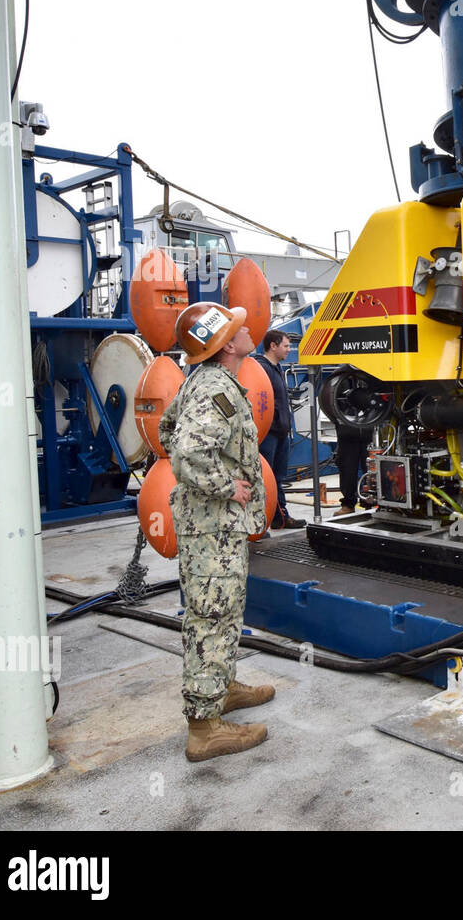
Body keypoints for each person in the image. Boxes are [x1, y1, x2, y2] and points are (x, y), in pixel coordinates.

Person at [160, 301, 275, 762]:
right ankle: (205, 728)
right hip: (212, 528)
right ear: (227, 345)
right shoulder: (214, 389)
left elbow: (168, 429)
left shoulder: (206, 382)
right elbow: (187, 452)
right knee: (212, 616)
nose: (249, 332)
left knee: (222, 611)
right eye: (239, 328)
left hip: (213, 527)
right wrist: (227, 485)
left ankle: (221, 688)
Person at [257, 329, 304, 529]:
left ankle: (278, 516)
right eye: (286, 345)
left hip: (281, 431)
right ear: (273, 346)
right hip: (270, 433)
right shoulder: (262, 368)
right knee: (267, 477)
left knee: (278, 476)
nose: (289, 349)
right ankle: (268, 518)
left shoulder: (276, 368)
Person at [335, 423, 373, 516]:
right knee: (347, 469)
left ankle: (371, 502)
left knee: (372, 469)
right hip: (347, 432)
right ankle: (348, 504)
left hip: (371, 431)